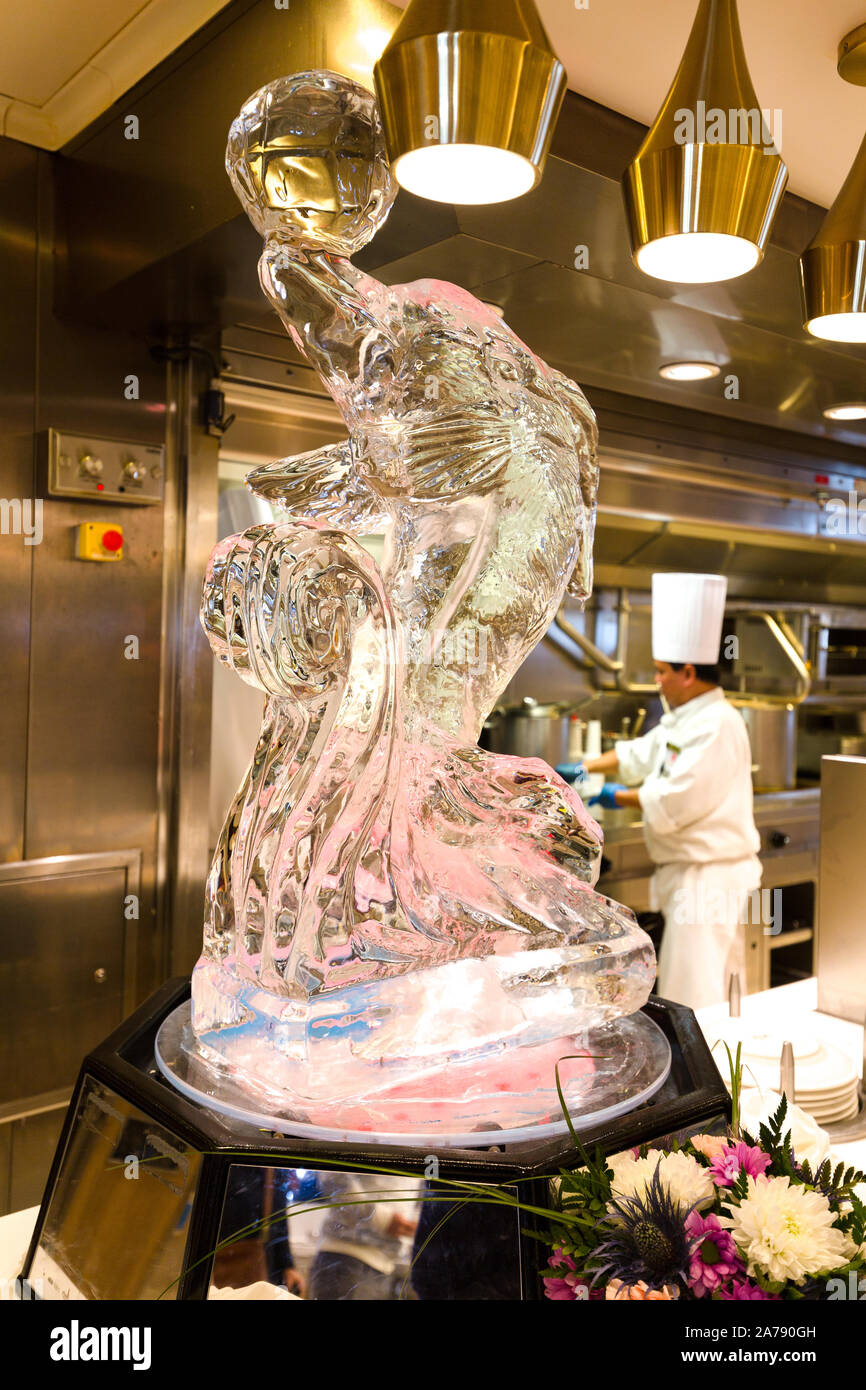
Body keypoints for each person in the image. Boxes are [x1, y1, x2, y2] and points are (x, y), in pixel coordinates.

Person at [580, 573, 761, 1010]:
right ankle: (720, 1070)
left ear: (688, 672)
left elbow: (679, 797)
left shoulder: (718, 724)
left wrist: (609, 796)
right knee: (708, 989)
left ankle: (708, 1076)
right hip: (693, 875)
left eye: (662, 672)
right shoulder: (686, 716)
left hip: (709, 882)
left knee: (694, 995)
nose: (657, 680)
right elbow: (644, 752)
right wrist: (582, 768)